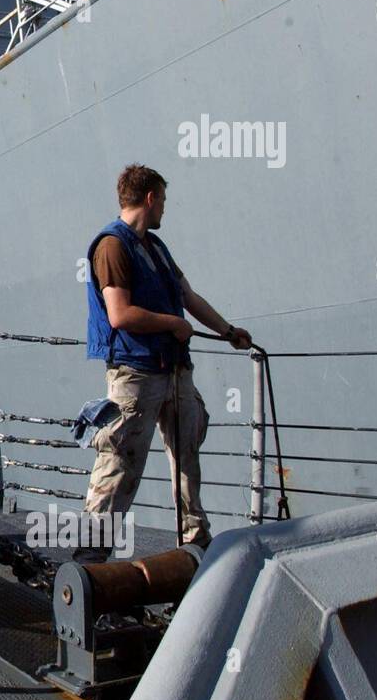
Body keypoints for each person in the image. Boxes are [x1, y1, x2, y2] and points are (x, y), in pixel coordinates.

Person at [83, 165, 252, 551]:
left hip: (173, 370)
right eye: (163, 201)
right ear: (150, 198)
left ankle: (193, 545)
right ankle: (91, 555)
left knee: (186, 457)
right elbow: (120, 315)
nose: (164, 210)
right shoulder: (112, 247)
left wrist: (228, 332)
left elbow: (188, 297)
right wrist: (173, 324)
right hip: (136, 375)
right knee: (120, 461)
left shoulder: (155, 248)